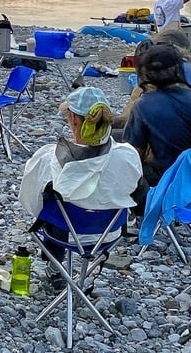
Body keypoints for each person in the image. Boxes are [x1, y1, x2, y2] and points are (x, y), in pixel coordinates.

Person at [21, 87, 141, 247]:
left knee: (53, 206)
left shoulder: (49, 157)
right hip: (110, 233)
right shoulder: (128, 155)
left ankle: (54, 264)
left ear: (73, 118)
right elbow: (132, 188)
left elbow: (32, 204)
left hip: (65, 235)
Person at [124, 44, 191, 212]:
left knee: (118, 163)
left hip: (165, 184)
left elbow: (133, 154)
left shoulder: (144, 105)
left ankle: (119, 221)